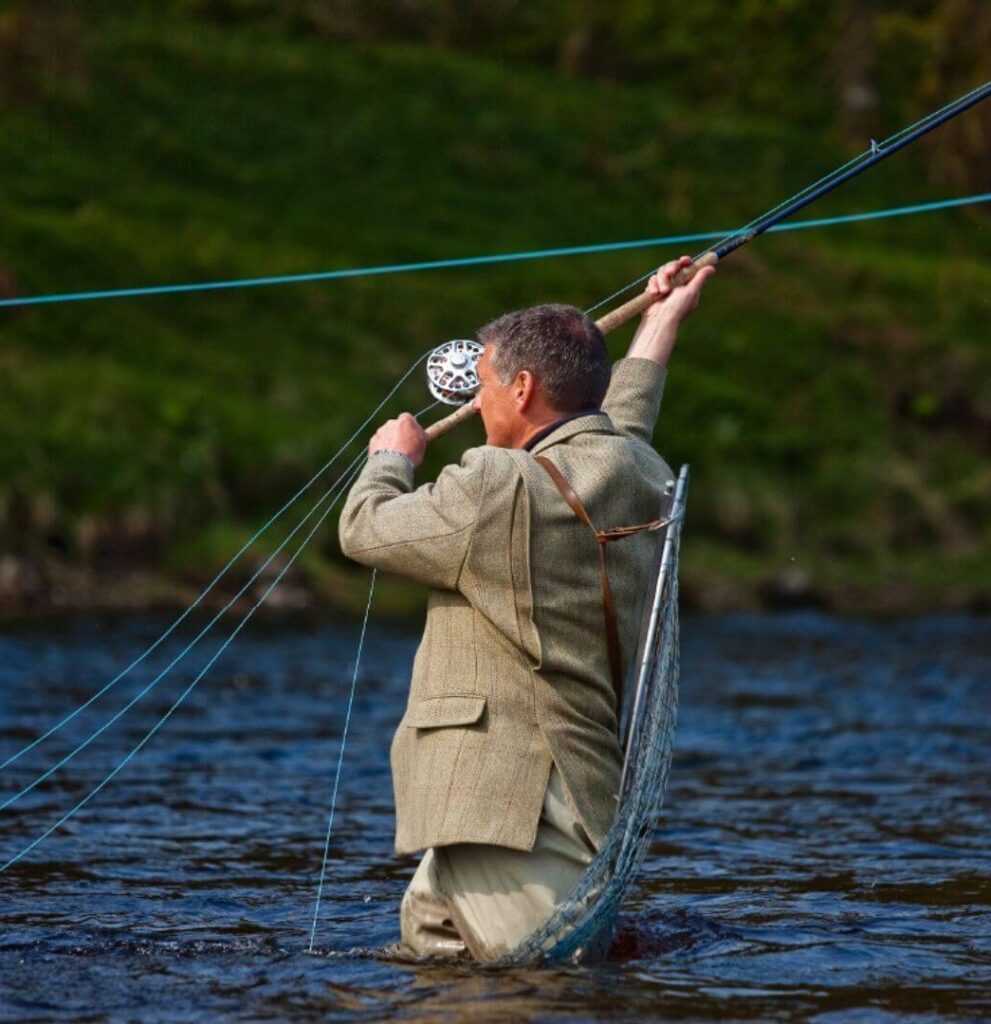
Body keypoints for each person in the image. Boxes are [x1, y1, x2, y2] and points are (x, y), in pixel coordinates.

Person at [338, 256, 715, 960]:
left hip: (512, 810)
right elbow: (619, 421)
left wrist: (390, 459)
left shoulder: (494, 484)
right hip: (556, 792)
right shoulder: (634, 471)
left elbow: (363, 530)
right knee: (442, 987)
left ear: (521, 387)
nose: (476, 404)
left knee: (540, 985)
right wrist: (662, 319)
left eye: (483, 388)